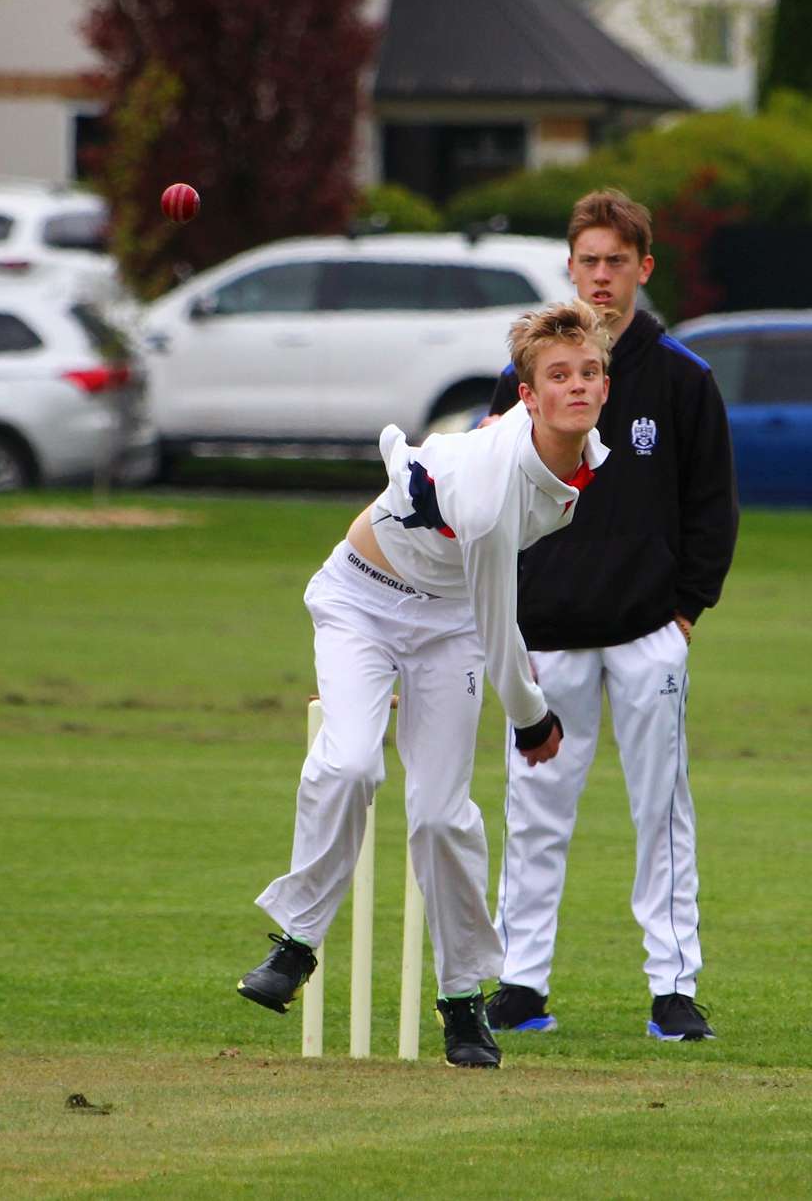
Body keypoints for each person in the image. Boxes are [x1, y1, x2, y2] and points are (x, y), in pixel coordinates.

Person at [237, 301, 613, 1068]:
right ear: (526, 397)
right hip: (362, 599)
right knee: (350, 765)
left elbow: (477, 616)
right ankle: (297, 943)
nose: (578, 386)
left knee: (442, 819)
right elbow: (501, 626)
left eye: (590, 372)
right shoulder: (491, 487)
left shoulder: (589, 453)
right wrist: (532, 719)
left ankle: (462, 1002)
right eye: (558, 377)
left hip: (446, 624)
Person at [481, 189, 738, 1042]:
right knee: (535, 812)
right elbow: (484, 495)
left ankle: (673, 989)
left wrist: (685, 615)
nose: (601, 276)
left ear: (642, 269)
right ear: (570, 266)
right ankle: (520, 984)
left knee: (661, 811)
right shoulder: (527, 375)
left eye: (616, 262)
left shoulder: (683, 379)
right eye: (588, 260)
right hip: (546, 635)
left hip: (645, 636)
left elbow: (712, 508)